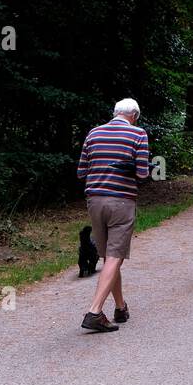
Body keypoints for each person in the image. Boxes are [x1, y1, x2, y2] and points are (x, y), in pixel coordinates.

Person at [77, 98, 150, 333]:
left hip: (94, 200)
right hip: (121, 201)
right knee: (115, 255)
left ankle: (120, 307)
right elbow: (142, 173)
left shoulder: (93, 133)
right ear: (134, 116)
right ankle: (95, 312)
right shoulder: (138, 134)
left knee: (109, 254)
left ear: (115, 113)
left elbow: (81, 172)